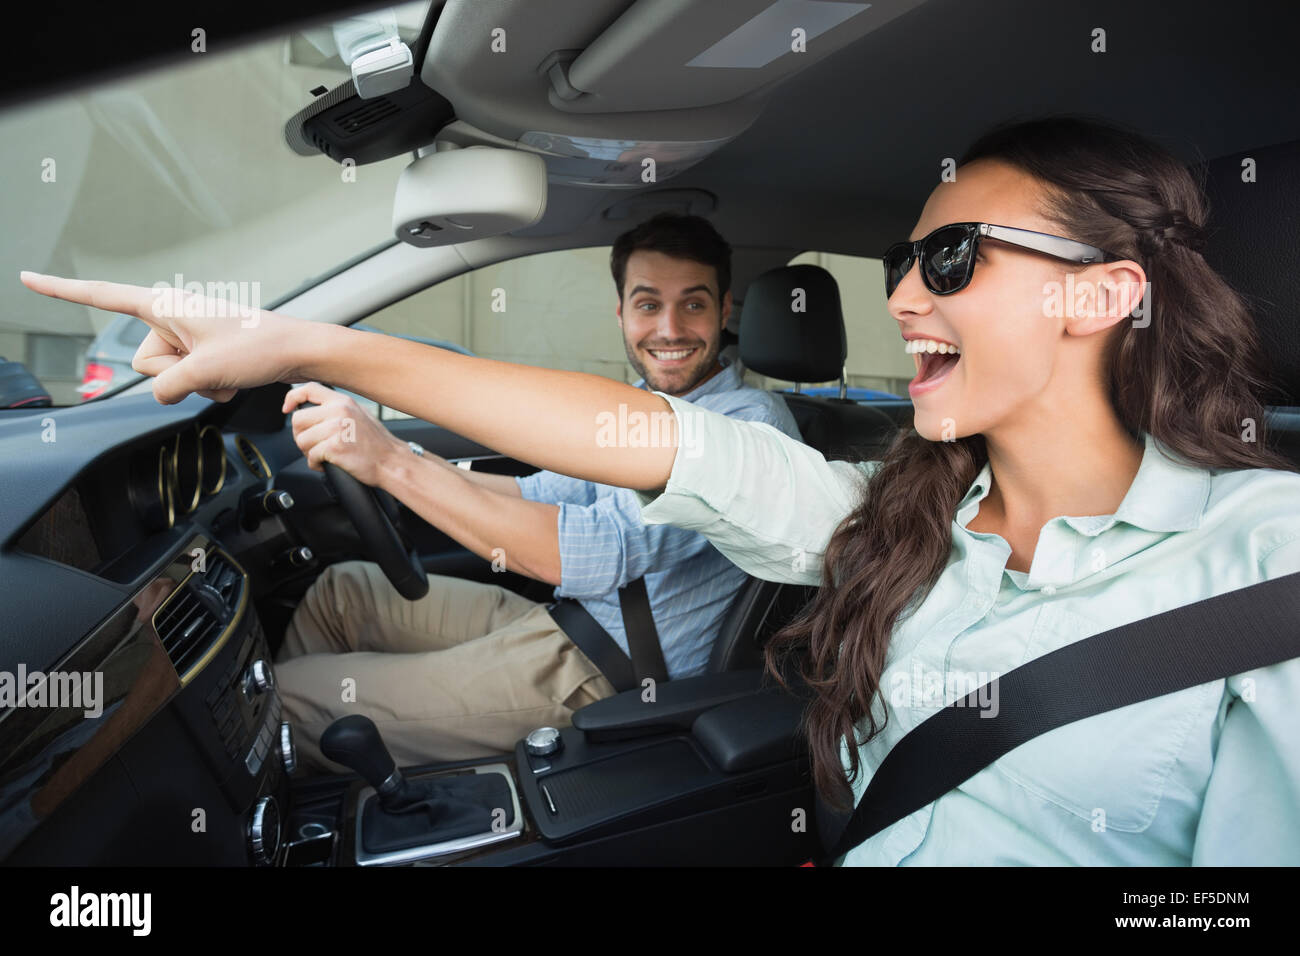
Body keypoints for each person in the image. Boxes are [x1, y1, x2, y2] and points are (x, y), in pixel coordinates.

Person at [20, 115, 1300, 865]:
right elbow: (661, 446)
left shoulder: (1265, 572)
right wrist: (306, 344)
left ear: (1106, 291)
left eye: (952, 257)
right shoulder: (903, 523)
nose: (904, 296)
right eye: (907, 261)